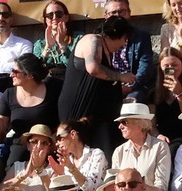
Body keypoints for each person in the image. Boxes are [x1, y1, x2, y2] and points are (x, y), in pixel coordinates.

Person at [58, 16, 137, 157]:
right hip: (79, 109)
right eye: (124, 39)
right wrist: (120, 76)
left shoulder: (106, 51)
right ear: (117, 34)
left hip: (98, 117)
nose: (124, 44)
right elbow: (93, 68)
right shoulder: (92, 40)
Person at [110, 102, 171, 191]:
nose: (120, 127)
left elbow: (161, 185)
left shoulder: (160, 147)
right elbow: (115, 185)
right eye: (120, 123)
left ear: (140, 124)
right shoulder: (119, 151)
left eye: (124, 122)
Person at [33, 0, 78, 79]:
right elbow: (34, 72)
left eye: (59, 14)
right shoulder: (40, 45)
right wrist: (47, 47)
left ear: (66, 17)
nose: (54, 18)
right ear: (46, 20)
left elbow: (76, 69)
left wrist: (62, 45)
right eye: (50, 15)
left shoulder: (78, 39)